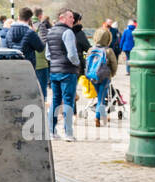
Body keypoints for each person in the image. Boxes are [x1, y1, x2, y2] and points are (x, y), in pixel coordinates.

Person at [45, 8, 80, 140]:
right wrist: (76, 64)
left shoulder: (50, 32)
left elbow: (48, 55)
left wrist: (56, 62)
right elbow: (72, 54)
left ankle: (51, 131)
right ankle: (68, 133)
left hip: (54, 71)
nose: (73, 19)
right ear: (62, 18)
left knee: (55, 101)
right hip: (67, 71)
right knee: (68, 102)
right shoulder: (68, 32)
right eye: (70, 17)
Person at [85, 26, 117, 127]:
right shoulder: (108, 51)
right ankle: (98, 117)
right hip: (104, 77)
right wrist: (112, 74)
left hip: (93, 77)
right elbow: (114, 64)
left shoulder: (91, 50)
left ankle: (103, 116)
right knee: (101, 98)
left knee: (100, 96)